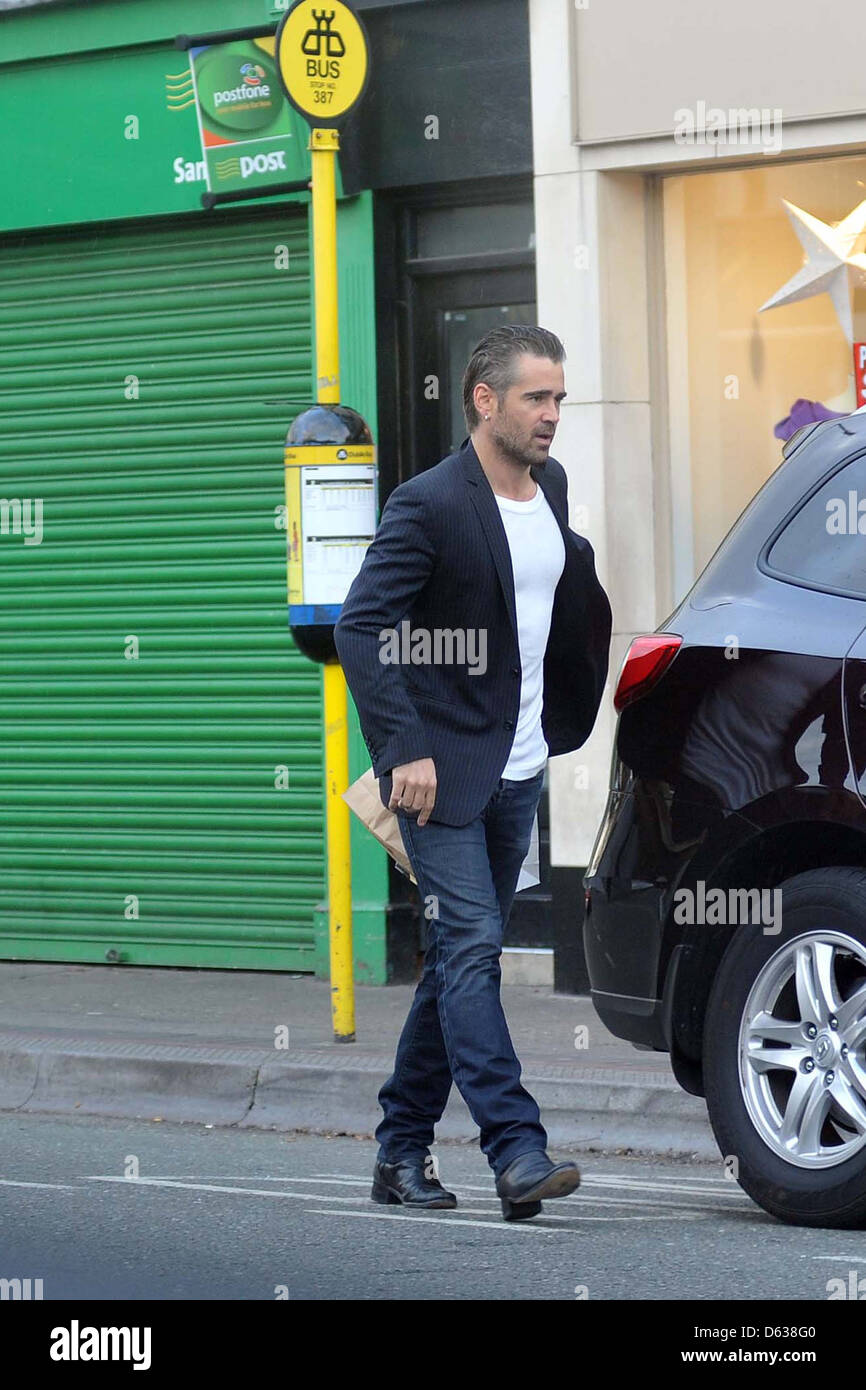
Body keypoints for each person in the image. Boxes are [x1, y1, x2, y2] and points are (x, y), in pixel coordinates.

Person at [334, 325, 612, 1221]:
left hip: (519, 766)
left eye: (560, 398)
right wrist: (401, 746)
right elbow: (361, 627)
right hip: (439, 773)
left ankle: (398, 1152)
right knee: (473, 949)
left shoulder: (551, 489)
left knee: (454, 958)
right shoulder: (429, 504)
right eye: (537, 397)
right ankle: (516, 1149)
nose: (553, 416)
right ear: (483, 400)